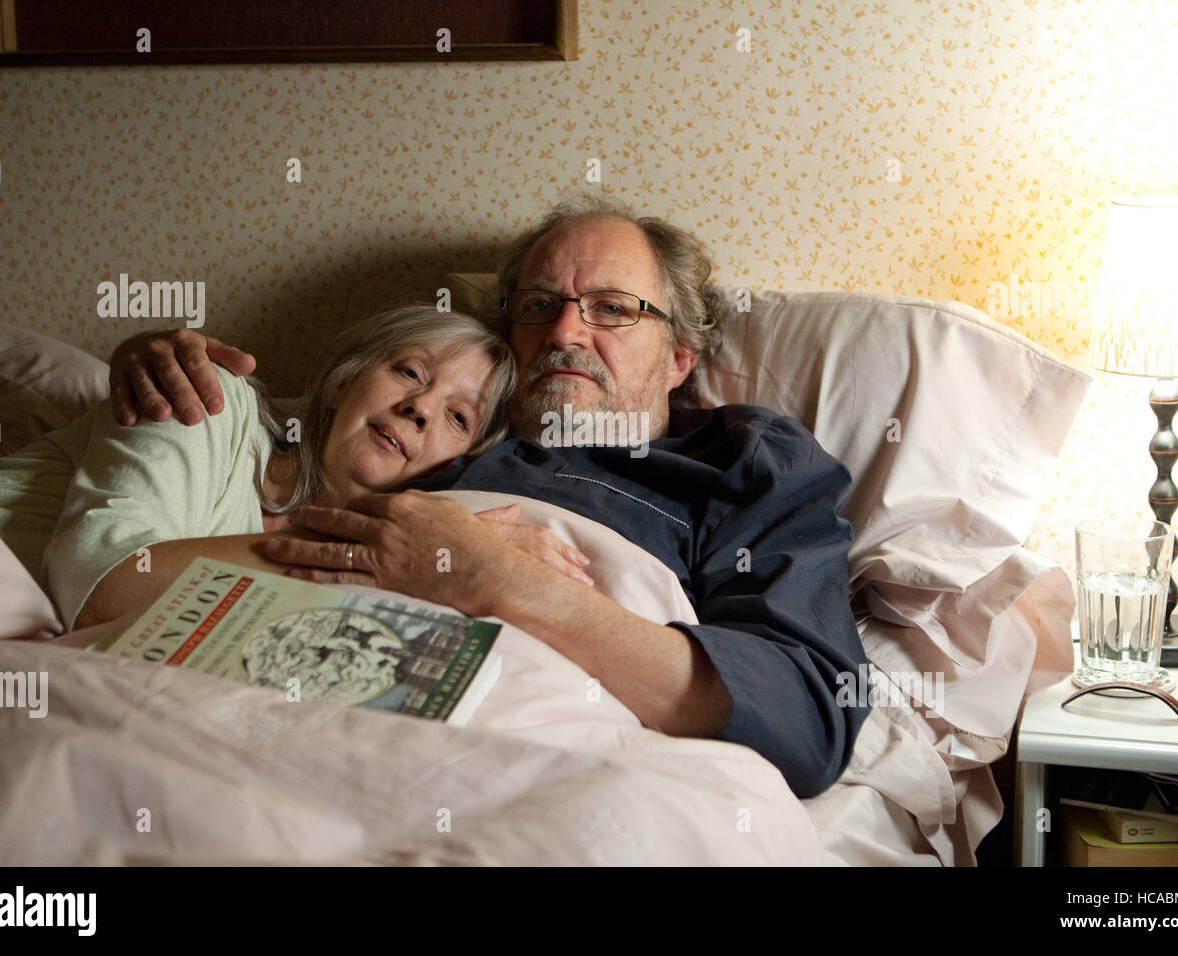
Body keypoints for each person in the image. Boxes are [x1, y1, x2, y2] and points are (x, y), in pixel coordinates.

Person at [107, 195, 870, 799]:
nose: (566, 329)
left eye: (612, 308)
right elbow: (238, 522)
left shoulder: (746, 460)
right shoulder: (443, 433)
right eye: (538, 306)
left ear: (679, 357)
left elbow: (807, 712)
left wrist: (507, 584)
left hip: (535, 742)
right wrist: (156, 364)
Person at [0, 305, 594, 634]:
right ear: (343, 384)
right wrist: (377, 553)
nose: (420, 408)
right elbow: (101, 586)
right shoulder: (208, 397)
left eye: (458, 417)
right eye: (408, 371)